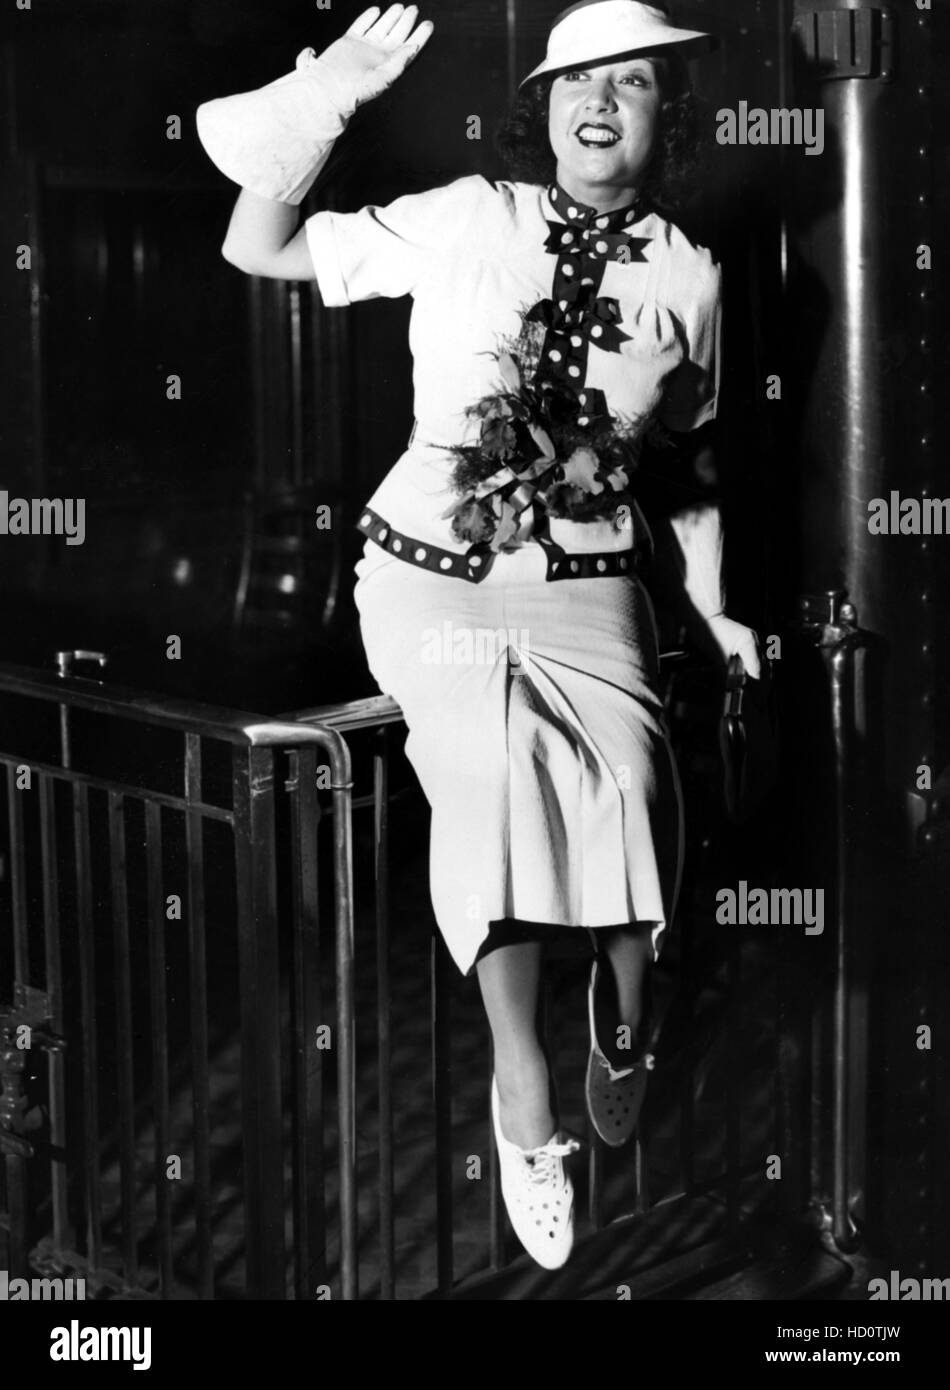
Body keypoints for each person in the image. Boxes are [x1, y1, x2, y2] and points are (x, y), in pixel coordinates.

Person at [199, 0, 760, 1271]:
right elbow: (254, 245)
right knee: (495, 784)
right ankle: (524, 1098)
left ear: (667, 117)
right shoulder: (466, 214)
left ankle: (627, 1015)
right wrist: (324, 102)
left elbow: (692, 460)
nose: (598, 100)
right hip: (430, 575)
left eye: (631, 83)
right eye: (576, 80)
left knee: (630, 784)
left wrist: (713, 602)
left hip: (596, 573)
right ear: (542, 108)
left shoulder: (689, 272)